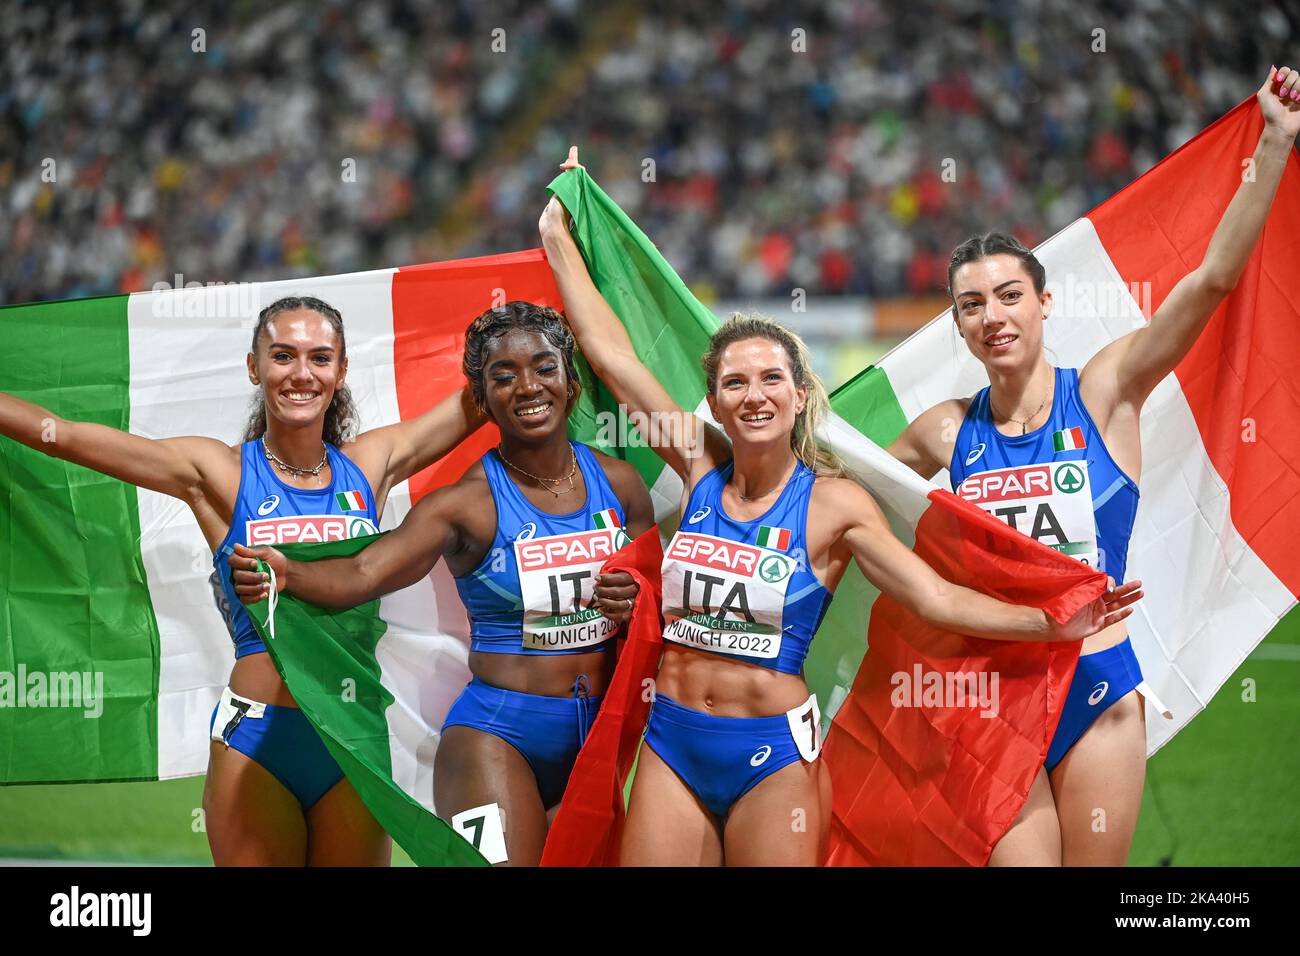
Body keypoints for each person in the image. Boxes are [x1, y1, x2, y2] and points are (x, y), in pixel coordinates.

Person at [537, 148, 1143, 866]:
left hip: (773, 758)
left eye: (770, 379)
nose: (753, 394)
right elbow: (613, 362)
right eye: (734, 383)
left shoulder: (836, 505)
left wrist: (1046, 621)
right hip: (672, 742)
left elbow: (938, 597)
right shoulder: (699, 467)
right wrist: (557, 238)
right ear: (717, 402)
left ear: (800, 396)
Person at [887, 66, 1300, 866]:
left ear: (1044, 304)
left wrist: (1276, 143)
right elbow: (833, 482)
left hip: (1099, 688)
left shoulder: (1107, 390)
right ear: (959, 328)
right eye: (971, 305)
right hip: (993, 693)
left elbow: (1212, 280)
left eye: (1009, 295)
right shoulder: (944, 432)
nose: (992, 316)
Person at [0, 294, 485, 865]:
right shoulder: (219, 472)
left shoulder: (372, 462)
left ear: (342, 371)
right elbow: (69, 435)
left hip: (352, 733)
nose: (301, 373)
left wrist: (573, 304)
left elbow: (489, 397)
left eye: (320, 357)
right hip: (259, 741)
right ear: (255, 368)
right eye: (283, 356)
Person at [230, 301, 655, 866]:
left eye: (544, 367)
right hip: (495, 741)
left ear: (571, 382)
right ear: (481, 400)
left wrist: (636, 602)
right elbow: (363, 571)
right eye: (502, 376)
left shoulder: (621, 486)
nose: (527, 386)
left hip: (596, 741)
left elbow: (656, 608)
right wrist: (291, 573)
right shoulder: (463, 506)